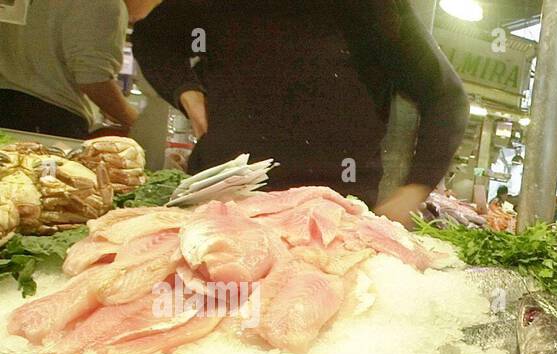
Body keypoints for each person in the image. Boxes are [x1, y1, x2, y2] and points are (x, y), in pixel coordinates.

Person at [131, 0, 468, 221]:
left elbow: (445, 97)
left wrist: (416, 186)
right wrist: (186, 92)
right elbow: (154, 39)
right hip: (218, 203)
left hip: (326, 218)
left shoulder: (375, 9)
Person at [0, 0, 159, 138]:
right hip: (49, 120)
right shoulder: (105, 4)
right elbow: (95, 82)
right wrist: (139, 125)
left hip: (8, 104)